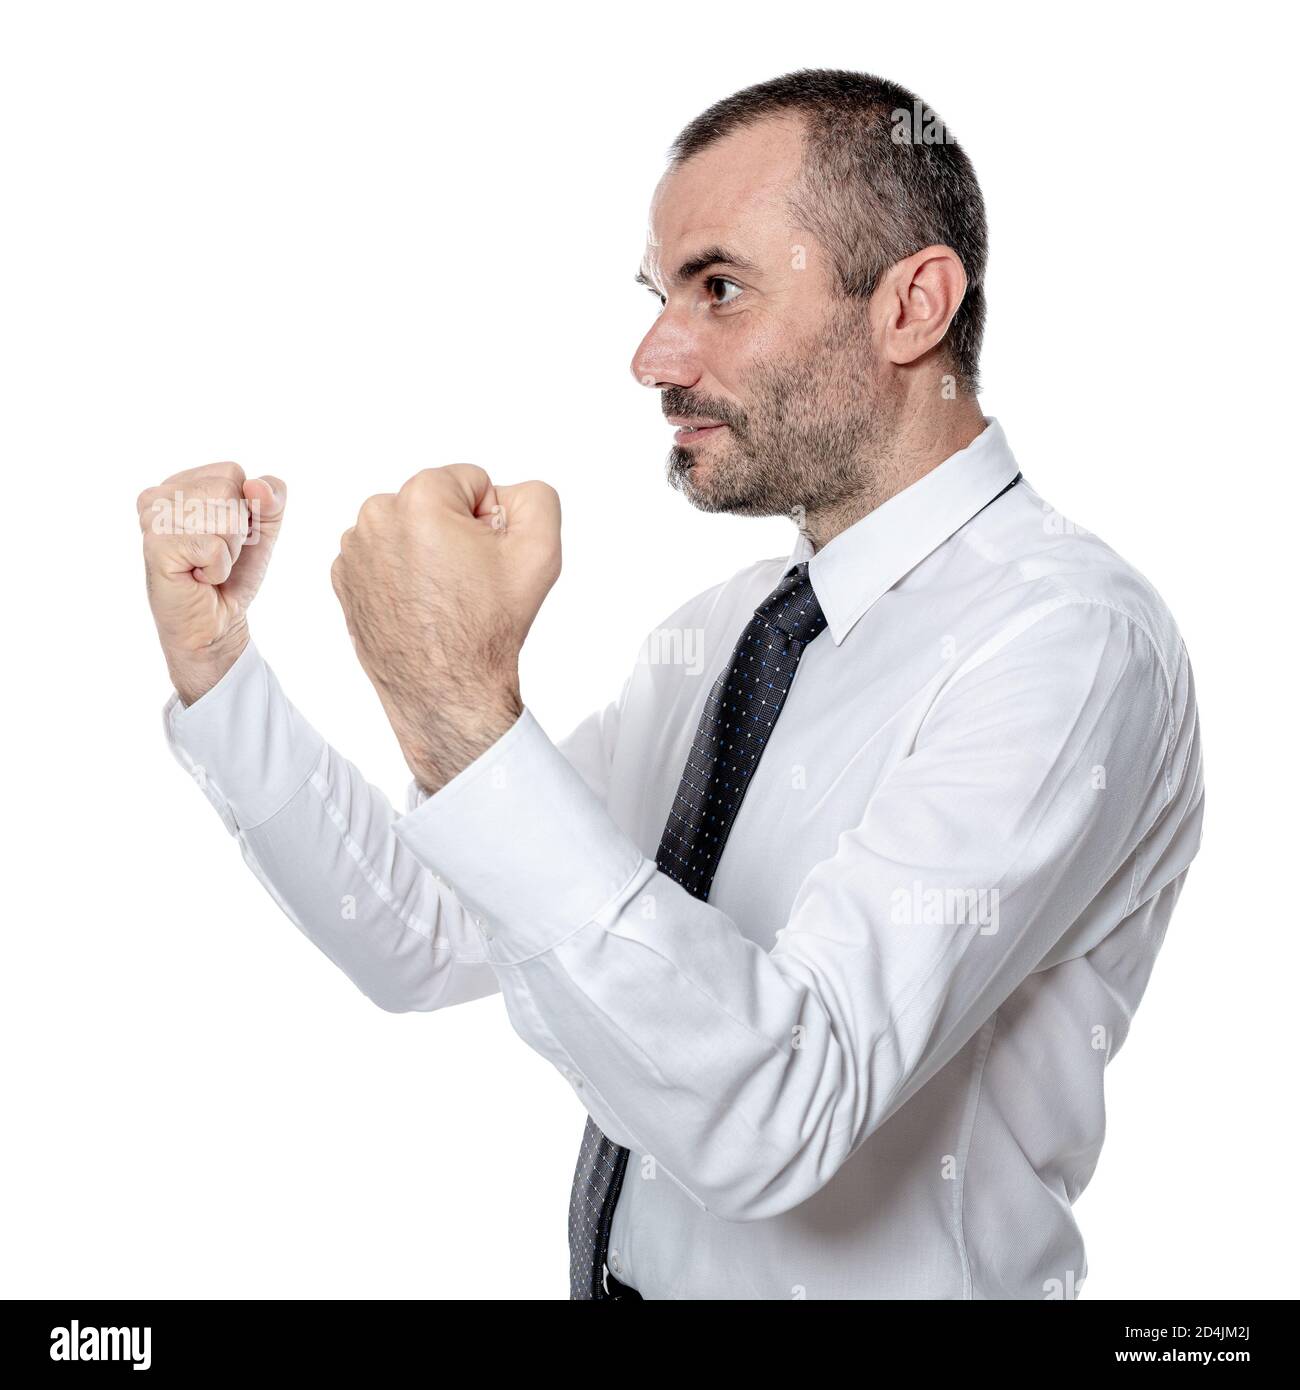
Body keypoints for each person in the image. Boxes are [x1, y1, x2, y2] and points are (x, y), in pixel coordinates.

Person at [136, 69, 1204, 1300]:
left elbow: (778, 1111)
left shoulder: (1065, 644)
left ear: (912, 304)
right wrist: (219, 668)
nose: (652, 356)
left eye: (719, 288)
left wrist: (456, 702)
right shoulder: (740, 628)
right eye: (662, 295)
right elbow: (428, 930)